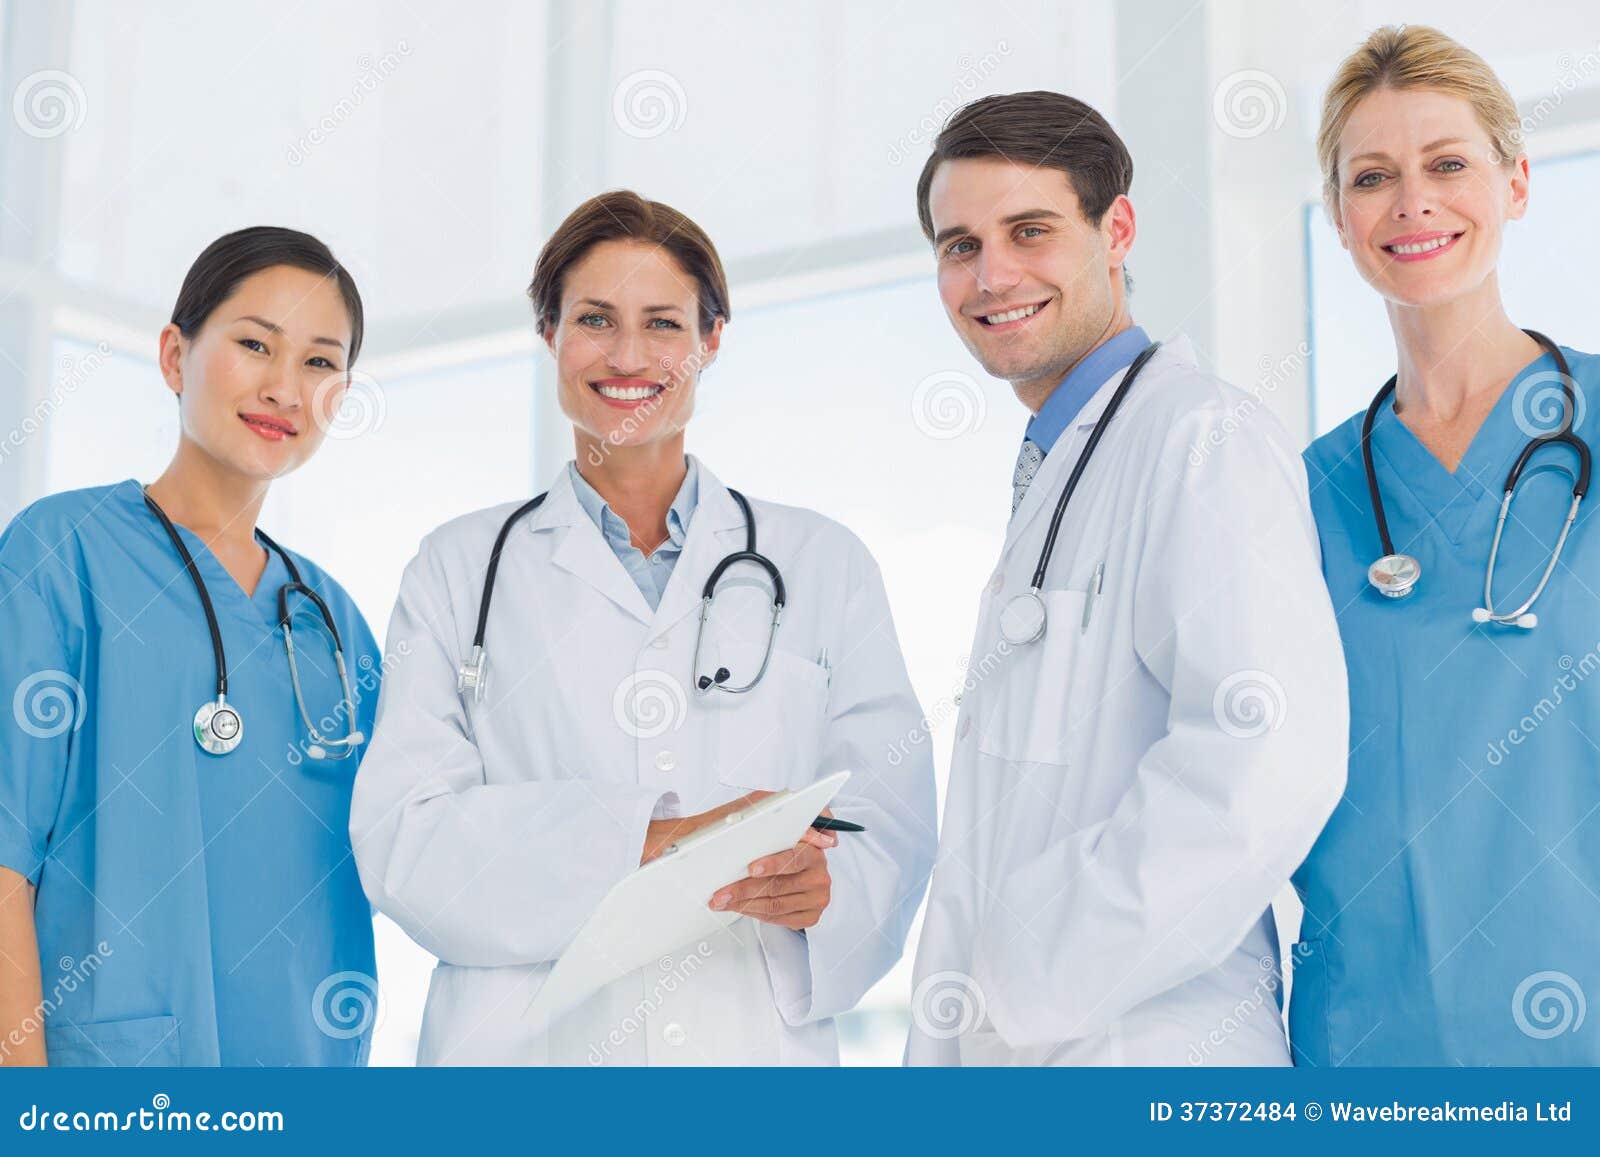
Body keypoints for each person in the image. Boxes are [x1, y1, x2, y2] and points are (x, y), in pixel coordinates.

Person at [350, 190, 936, 1066]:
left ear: (710, 340)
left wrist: (832, 888)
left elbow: (891, 816)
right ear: (549, 334)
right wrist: (657, 840)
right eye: (594, 318)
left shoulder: (823, 562)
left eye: (663, 323)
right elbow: (405, 841)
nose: (629, 355)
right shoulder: (457, 567)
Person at [905, 91, 1349, 1066]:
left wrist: (1022, 976)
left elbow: (1267, 752)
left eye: (1030, 230)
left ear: (1118, 229)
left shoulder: (1200, 438)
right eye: (958, 244)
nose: (992, 274)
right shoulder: (1064, 468)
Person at [0, 227, 380, 1066]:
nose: (285, 386)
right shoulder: (61, 553)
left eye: (320, 363)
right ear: (176, 354)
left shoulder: (335, 622)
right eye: (254, 344)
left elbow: (414, 849)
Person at [1295, 25, 1600, 1066]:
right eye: (1372, 176)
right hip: (1367, 1043)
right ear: (1339, 217)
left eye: (1447, 164)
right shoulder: (1299, 496)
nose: (1412, 202)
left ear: (1514, 183)